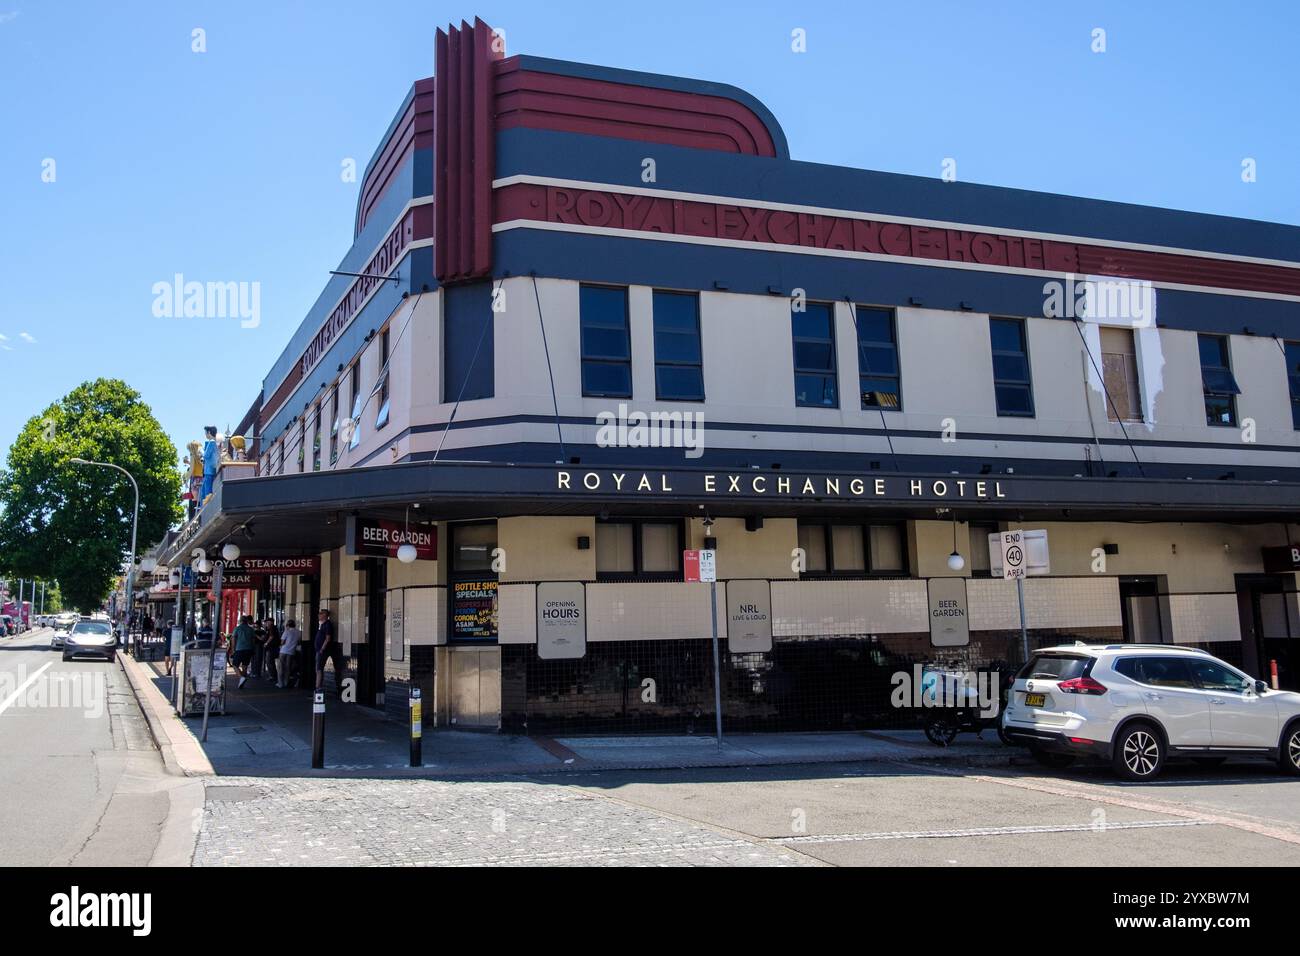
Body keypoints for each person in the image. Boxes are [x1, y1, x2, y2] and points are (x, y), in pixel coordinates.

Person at [314, 609, 346, 697]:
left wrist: (322, 649)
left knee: (319, 669)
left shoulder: (327, 625)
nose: (318, 615)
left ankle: (318, 688)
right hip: (320, 650)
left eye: (320, 613)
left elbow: (328, 638)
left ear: (324, 615)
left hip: (323, 651)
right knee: (318, 669)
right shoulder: (322, 625)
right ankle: (317, 688)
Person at [230, 615, 258, 689]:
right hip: (249, 649)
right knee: (245, 666)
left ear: (240, 621)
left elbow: (233, 639)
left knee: (235, 665)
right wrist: (253, 649)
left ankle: (241, 678)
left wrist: (233, 650)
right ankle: (241, 682)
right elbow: (253, 640)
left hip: (239, 649)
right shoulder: (251, 629)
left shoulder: (237, 628)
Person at [278, 619, 301, 689]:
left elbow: (282, 642)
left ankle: (280, 684)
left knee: (281, 667)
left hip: (283, 651)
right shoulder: (298, 632)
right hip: (292, 652)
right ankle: (286, 682)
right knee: (288, 668)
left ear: (287, 625)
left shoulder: (287, 631)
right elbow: (299, 642)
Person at [262, 619, 281, 683]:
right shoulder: (271, 628)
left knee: (269, 662)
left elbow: (271, 636)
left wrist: (266, 643)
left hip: (272, 648)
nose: (266, 624)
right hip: (272, 648)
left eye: (267, 622)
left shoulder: (272, 628)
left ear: (271, 622)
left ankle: (273, 676)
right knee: (270, 662)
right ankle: (273, 676)